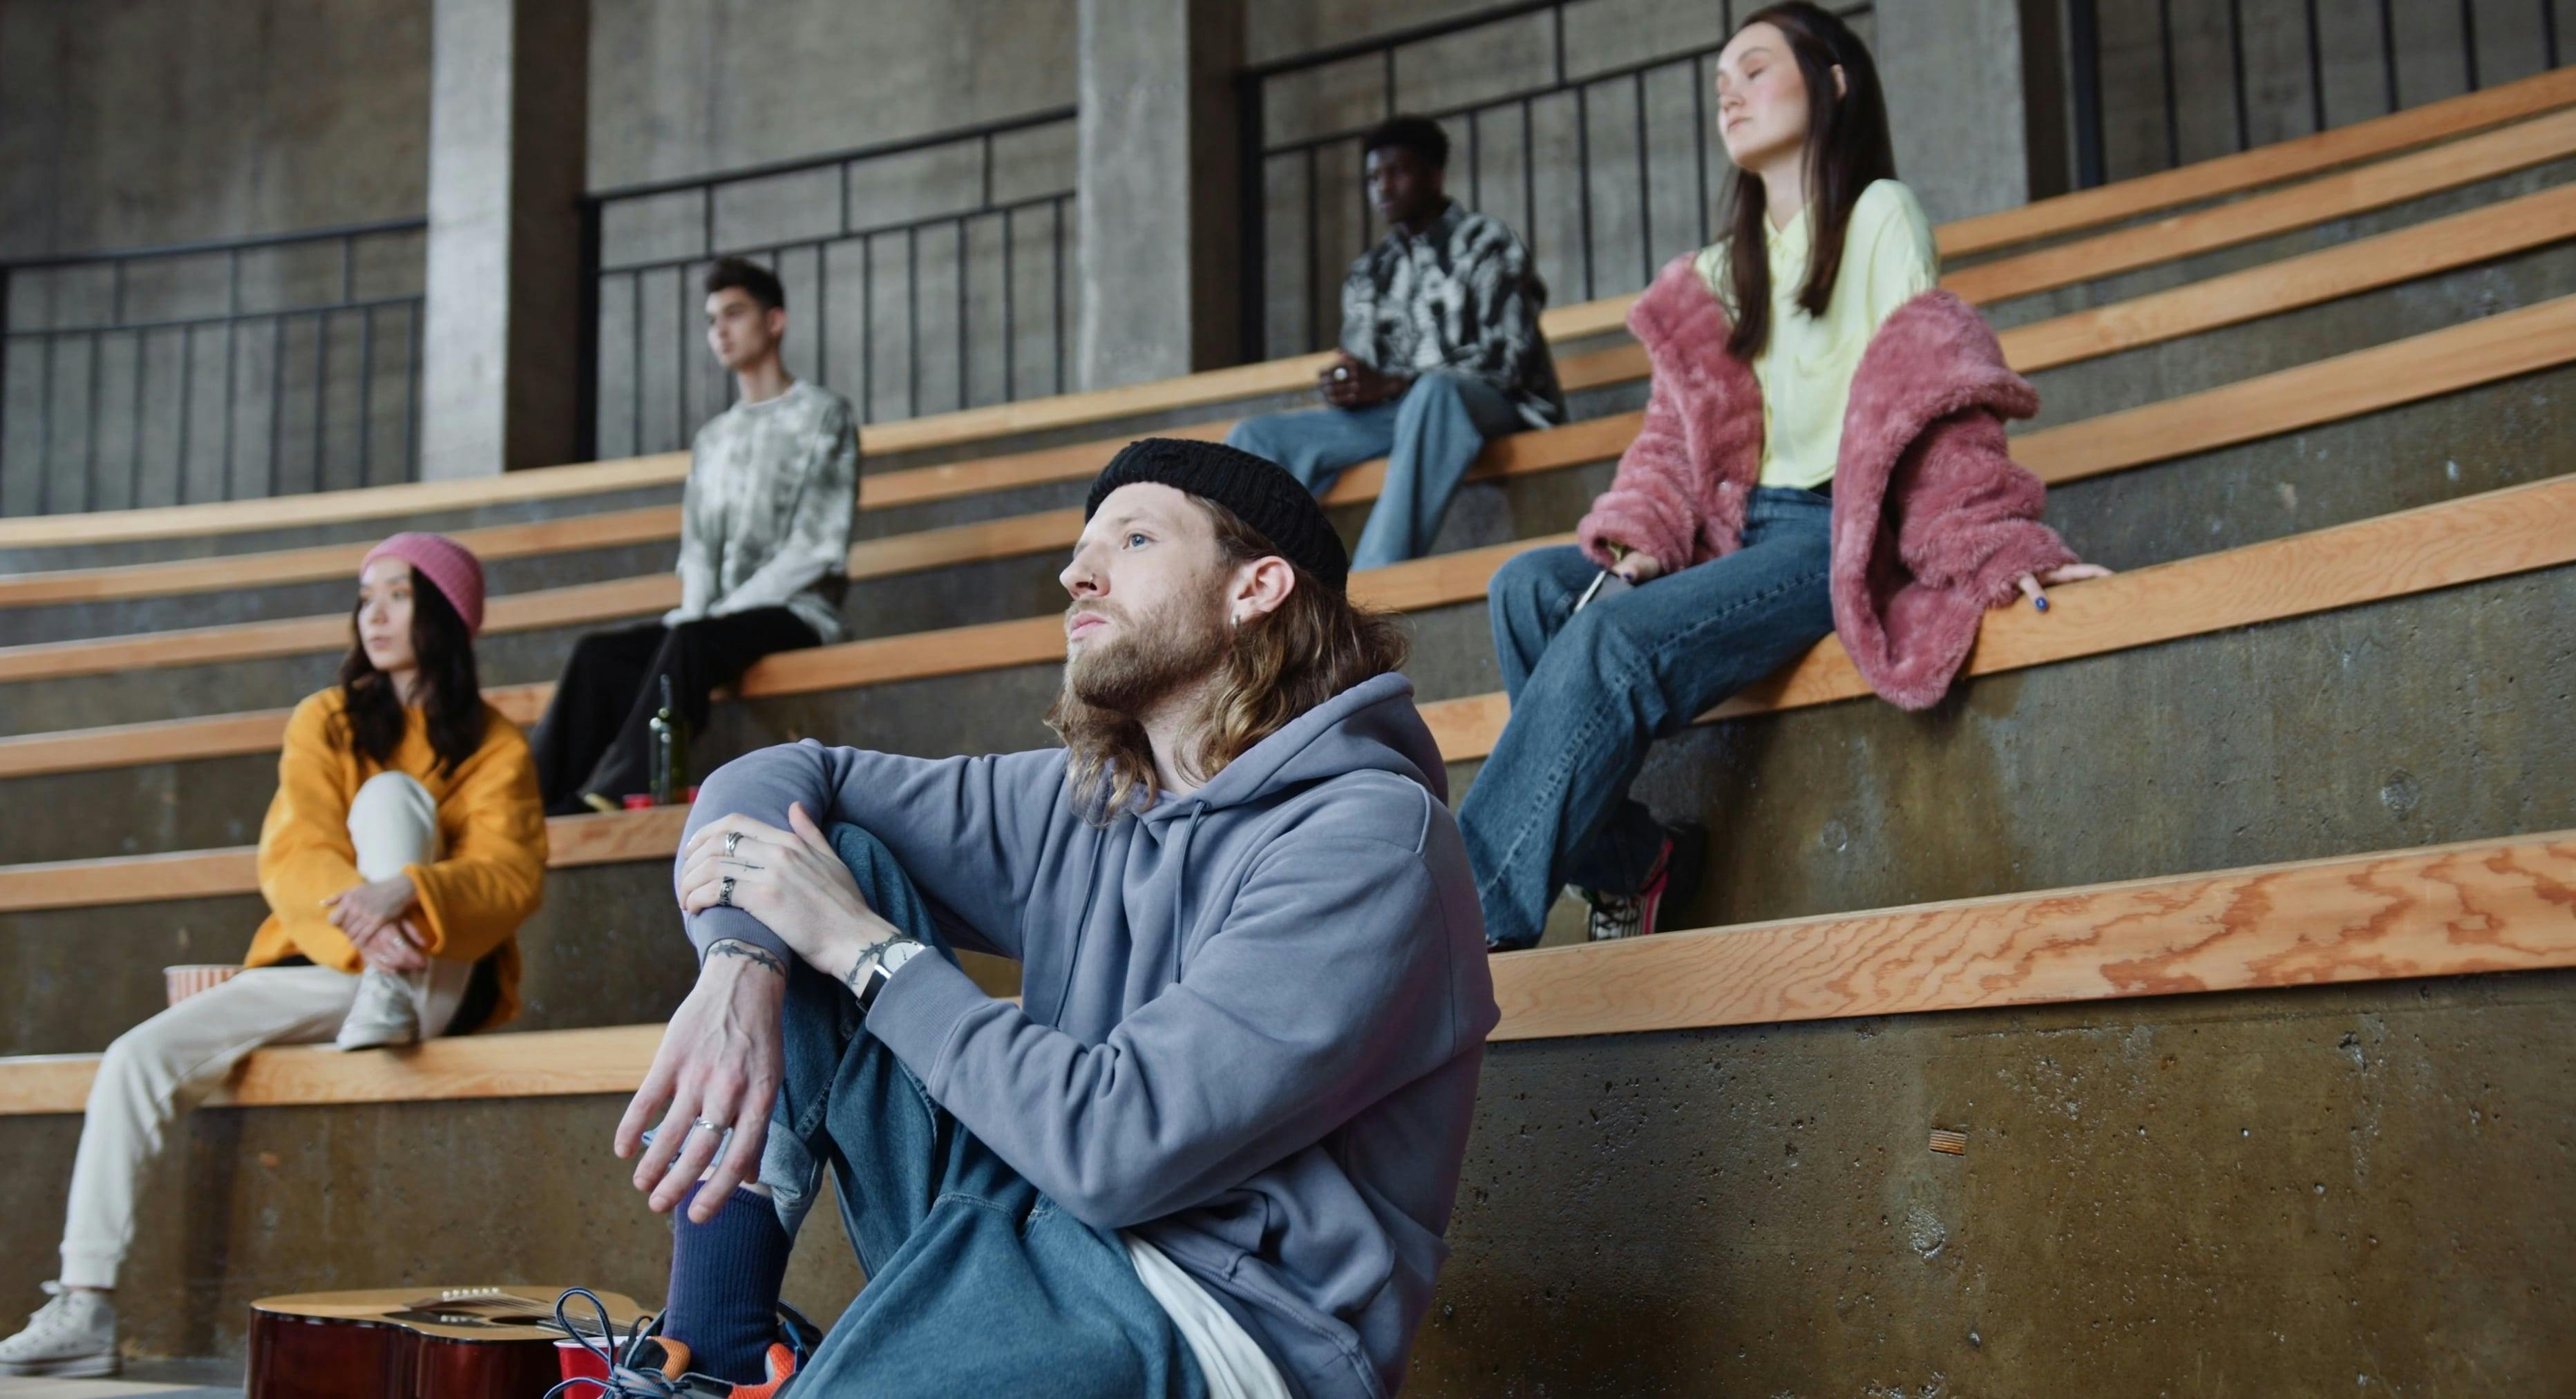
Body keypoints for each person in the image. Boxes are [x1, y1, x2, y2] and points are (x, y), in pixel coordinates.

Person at [585, 439, 1496, 1398]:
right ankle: (708, 1352)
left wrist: (867, 952)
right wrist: (739, 964)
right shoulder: (1093, 803)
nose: (1076, 571)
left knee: (830, 906)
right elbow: (771, 779)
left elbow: (1121, 1150)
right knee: (820, 854)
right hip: (1016, 1223)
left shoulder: (1371, 839)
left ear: (1256, 587)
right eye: (1081, 546)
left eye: (1134, 538)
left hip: (1207, 1315)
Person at [1457, 1, 2110, 952]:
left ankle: (1457, 931)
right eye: (1721, 82)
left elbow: (1932, 398)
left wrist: (1995, 549)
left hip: (1826, 533)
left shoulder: (1881, 216)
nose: (1730, 92)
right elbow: (1671, 446)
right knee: (1528, 591)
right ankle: (1635, 864)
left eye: (1754, 69)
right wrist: (1643, 541)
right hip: (1729, 538)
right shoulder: (1716, 273)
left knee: (1610, 647)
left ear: (1833, 80)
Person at [0, 533, 548, 1379]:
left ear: (444, 614)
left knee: (390, 797)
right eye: (364, 595)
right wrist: (368, 931)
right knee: (135, 1056)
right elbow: (293, 856)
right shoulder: (325, 719)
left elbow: (511, 876)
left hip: (435, 977)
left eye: (398, 595)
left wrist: (405, 893)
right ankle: (85, 1307)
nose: (373, 613)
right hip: (344, 973)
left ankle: (390, 986)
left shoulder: (495, 743)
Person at [532, 256, 861, 815]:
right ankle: (526, 800)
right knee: (598, 656)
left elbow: (816, 547)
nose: (720, 331)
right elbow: (700, 549)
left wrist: (712, 619)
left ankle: (619, 791)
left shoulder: (824, 415)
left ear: (775, 321)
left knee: (690, 642)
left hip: (795, 614)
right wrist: (696, 613)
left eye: (734, 314)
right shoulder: (714, 438)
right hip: (713, 626)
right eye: (712, 320)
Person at [1225, 114, 1564, 572]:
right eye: (1372, 177)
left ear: (1434, 174)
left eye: (1397, 172)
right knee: (1253, 436)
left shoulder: (1487, 242)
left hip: (1499, 406)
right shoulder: (1371, 270)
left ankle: (1371, 581)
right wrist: (1349, 384)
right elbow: (1365, 365)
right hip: (1401, 415)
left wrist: (1392, 385)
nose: (1382, 187)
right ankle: (1272, 586)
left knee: (1434, 394)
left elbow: (1509, 359)